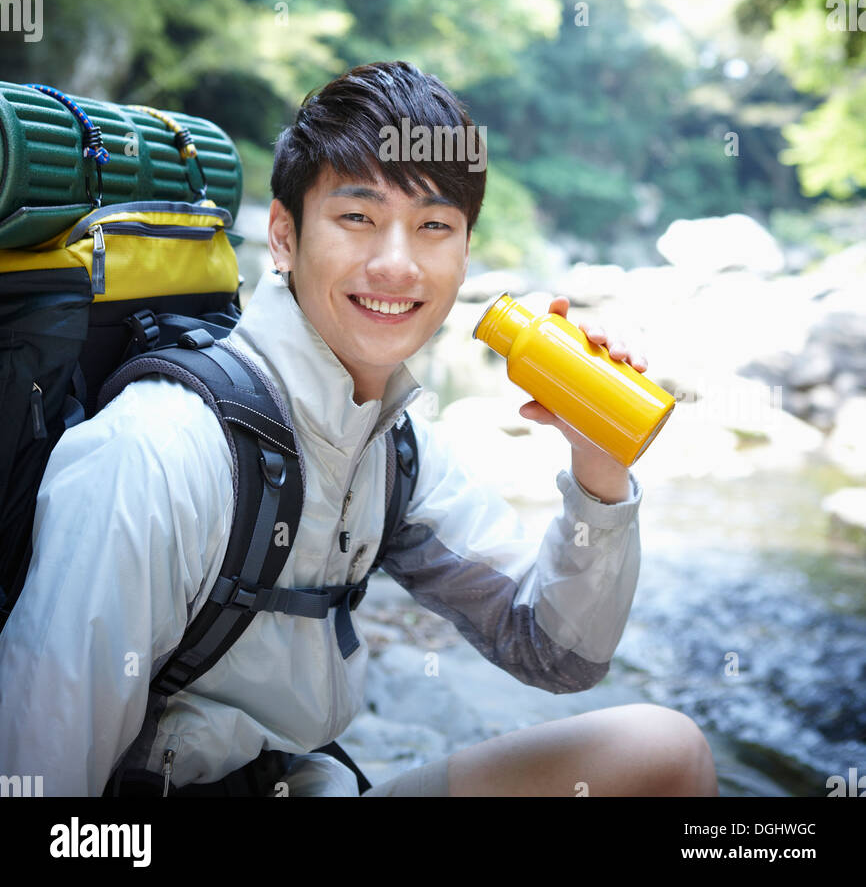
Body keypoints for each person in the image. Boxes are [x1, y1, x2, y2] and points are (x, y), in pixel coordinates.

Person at [0, 60, 718, 797]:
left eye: (434, 225)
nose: (397, 265)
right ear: (284, 236)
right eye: (357, 218)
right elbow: (40, 774)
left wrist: (598, 466)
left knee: (665, 752)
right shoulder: (159, 451)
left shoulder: (390, 443)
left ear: (465, 252)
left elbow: (556, 652)